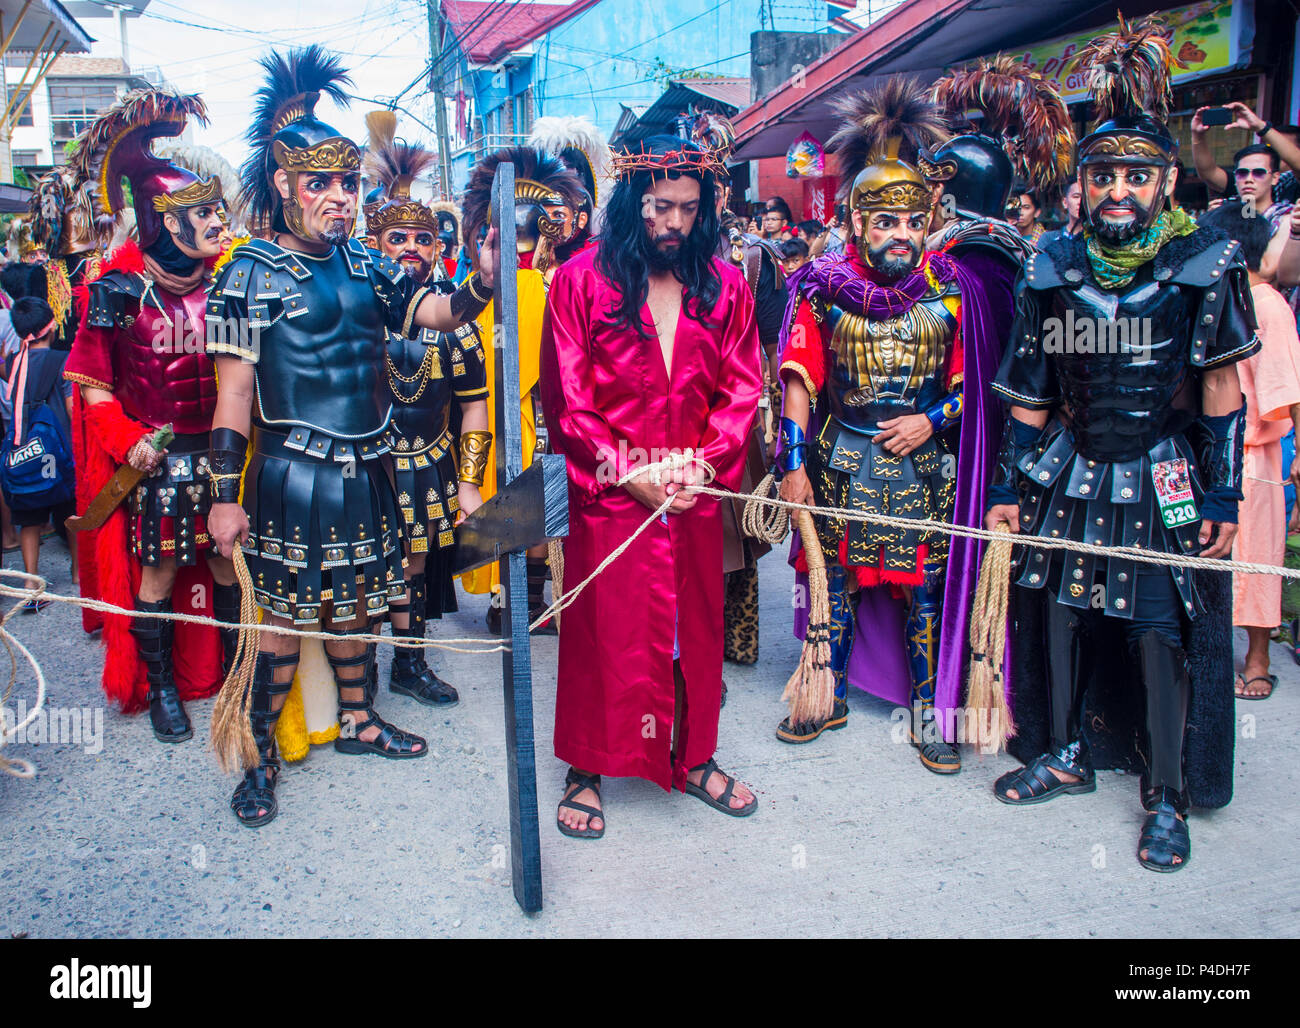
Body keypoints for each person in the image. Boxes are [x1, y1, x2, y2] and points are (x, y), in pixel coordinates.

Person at [986, 18, 1257, 872]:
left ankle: (1168, 791)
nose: (1117, 191)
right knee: (1060, 610)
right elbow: (1029, 392)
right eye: (1103, 174)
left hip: (1162, 469)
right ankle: (1063, 752)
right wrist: (1006, 486)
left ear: (1165, 180)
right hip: (1067, 466)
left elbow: (1220, 387)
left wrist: (1221, 495)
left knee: (1155, 627)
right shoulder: (1050, 265)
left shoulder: (1203, 262)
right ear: (1082, 183)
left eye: (1136, 175)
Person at [205, 47, 498, 826]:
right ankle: (261, 754)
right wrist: (220, 496)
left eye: (347, 183)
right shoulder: (247, 273)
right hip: (288, 474)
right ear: (284, 187)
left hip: (370, 468)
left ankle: (362, 719)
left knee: (358, 608)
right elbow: (233, 393)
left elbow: (436, 314)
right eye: (320, 184)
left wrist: (486, 279)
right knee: (277, 623)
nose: (338, 198)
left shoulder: (369, 266)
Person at [540, 135, 763, 837]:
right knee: (601, 635)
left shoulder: (726, 286)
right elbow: (567, 402)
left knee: (692, 630)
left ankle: (694, 758)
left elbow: (741, 388)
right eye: (661, 207)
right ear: (633, 204)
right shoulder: (578, 282)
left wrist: (706, 464)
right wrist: (630, 472)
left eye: (688, 210)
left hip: (692, 494)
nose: (673, 224)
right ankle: (587, 766)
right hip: (609, 494)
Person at [776, 79, 1000, 772]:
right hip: (843, 456)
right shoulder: (819, 286)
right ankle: (828, 692)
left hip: (924, 467)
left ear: (925, 221)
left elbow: (974, 388)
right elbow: (797, 378)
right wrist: (790, 463)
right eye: (885, 222)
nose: (900, 235)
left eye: (910, 221)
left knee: (923, 592)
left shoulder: (956, 289)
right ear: (856, 224)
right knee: (834, 582)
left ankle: (931, 713)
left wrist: (931, 421)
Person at [63, 89, 235, 742]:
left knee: (226, 565)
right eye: (202, 213)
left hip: (220, 454)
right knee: (160, 573)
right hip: (157, 461)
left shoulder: (228, 287)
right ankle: (163, 688)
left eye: (216, 210)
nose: (217, 223)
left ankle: (230, 670)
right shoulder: (115, 293)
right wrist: (128, 442)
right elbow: (93, 386)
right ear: (164, 222)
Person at [362, 131, 487, 706]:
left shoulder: (456, 319)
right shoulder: (356, 313)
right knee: (361, 564)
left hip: (430, 461)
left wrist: (466, 484)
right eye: (397, 238)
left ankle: (408, 665)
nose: (410, 248)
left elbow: (475, 405)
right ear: (373, 243)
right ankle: (355, 670)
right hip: (363, 461)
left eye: (421, 239)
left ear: (438, 249)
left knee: (413, 562)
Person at [457, 145, 583, 632]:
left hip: (515, 416)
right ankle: (517, 603)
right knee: (526, 505)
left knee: (529, 504)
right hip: (511, 416)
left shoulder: (539, 283)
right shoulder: (518, 284)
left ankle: (517, 601)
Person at [1199, 200, 1300, 700]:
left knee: (1257, 558)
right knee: (1214, 555)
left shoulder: (1268, 305)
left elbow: (1287, 386)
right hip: (1214, 450)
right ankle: (1212, 654)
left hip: (1256, 456)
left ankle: (1258, 659)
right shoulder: (1216, 298)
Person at [0, 297, 75, 610]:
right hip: (58, 451)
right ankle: (79, 575)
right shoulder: (62, 360)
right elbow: (71, 408)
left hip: (24, 450)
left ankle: (32, 582)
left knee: (29, 518)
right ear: (53, 326)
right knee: (70, 512)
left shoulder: (13, 361)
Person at [1192, 101, 1300, 207]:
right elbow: (1210, 174)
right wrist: (1197, 135)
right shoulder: (1249, 181)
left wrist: (1260, 126)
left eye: (1259, 173)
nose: (1249, 179)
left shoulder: (1286, 209)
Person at [1038, 180, 1082, 247]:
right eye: (1076, 197)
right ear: (1065, 202)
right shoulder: (1049, 238)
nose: (1080, 202)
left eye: (1084, 198)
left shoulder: (1096, 239)